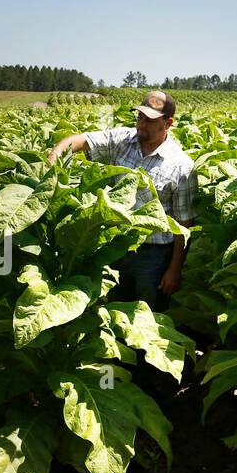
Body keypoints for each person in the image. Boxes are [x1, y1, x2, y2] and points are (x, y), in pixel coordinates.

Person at [47, 90, 196, 310]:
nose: (141, 124)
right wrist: (54, 158)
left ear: (168, 123)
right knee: (112, 304)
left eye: (150, 120)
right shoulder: (123, 140)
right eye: (140, 117)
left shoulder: (181, 166)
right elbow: (81, 140)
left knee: (147, 310)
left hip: (153, 255)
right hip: (115, 245)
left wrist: (174, 269)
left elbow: (184, 225)